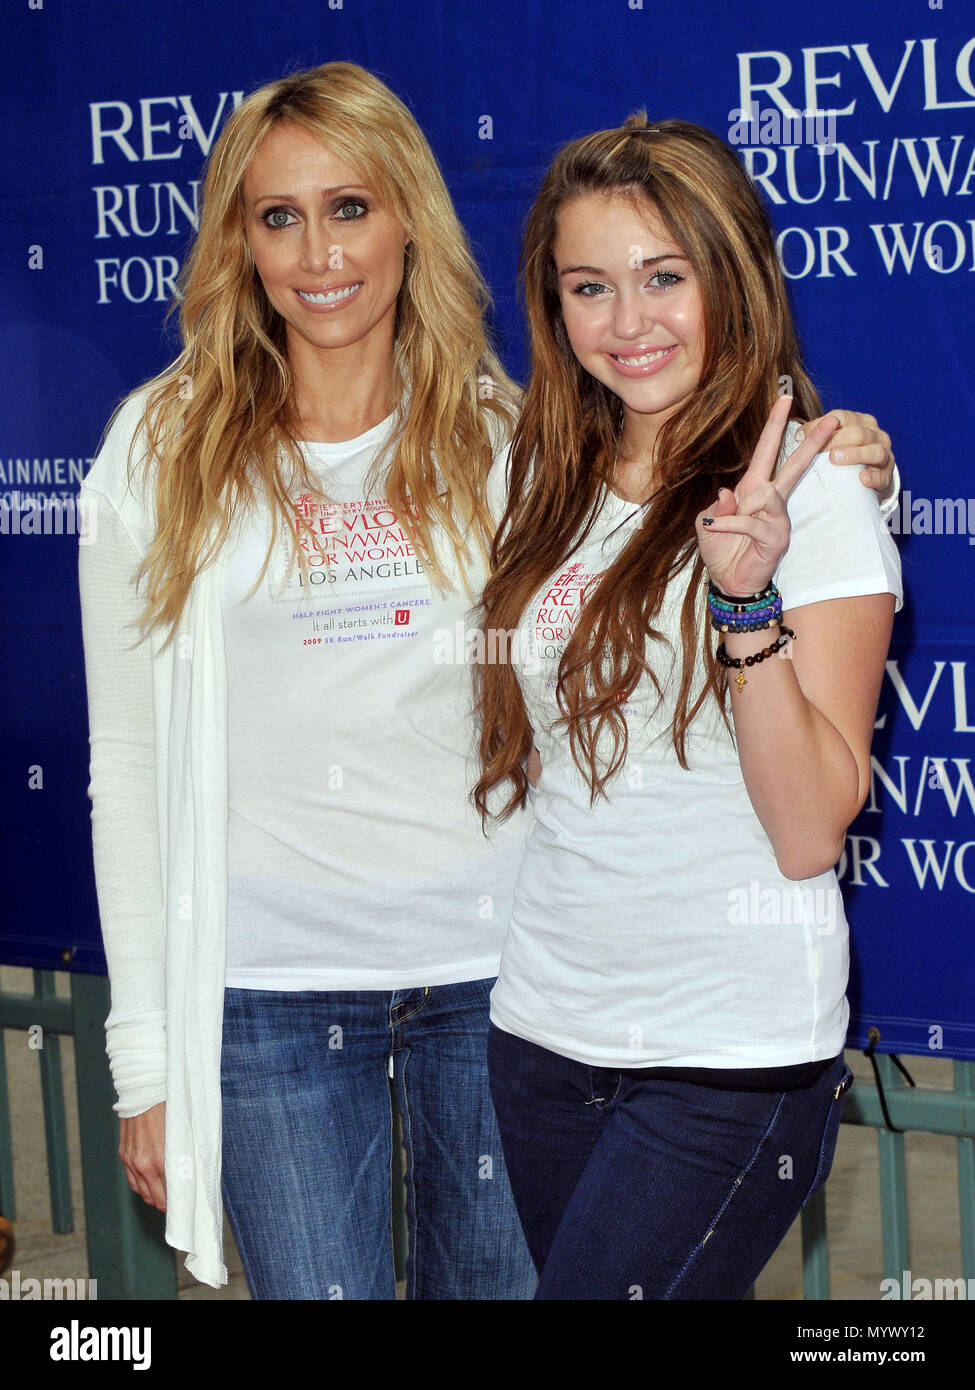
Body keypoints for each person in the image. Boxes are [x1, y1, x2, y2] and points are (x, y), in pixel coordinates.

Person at [79, 63, 894, 1299]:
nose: (319, 254)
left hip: (491, 977)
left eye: (350, 207)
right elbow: (130, 765)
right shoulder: (159, 449)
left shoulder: (503, 439)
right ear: (234, 240)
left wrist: (841, 468)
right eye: (277, 215)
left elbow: (701, 480)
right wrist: (147, 1060)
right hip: (282, 997)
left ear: (410, 217)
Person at [476, 115, 902, 1300]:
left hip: (730, 1055)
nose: (630, 321)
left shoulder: (814, 497)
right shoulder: (535, 471)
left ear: (732, 277)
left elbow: (812, 827)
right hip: (545, 1036)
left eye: (666, 276)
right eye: (590, 286)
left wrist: (747, 598)